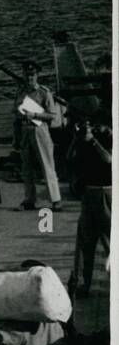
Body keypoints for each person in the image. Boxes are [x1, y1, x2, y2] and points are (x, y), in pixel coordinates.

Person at [70, 120, 111, 295]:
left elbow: (109, 159)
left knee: (111, 242)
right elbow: (69, 159)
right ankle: (84, 283)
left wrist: (93, 140)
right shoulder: (85, 138)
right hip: (89, 194)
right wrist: (77, 138)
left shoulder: (109, 136)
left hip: (107, 192)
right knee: (85, 243)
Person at [16, 62, 63, 211]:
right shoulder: (21, 92)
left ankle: (55, 199)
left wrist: (35, 114)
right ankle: (30, 199)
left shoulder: (44, 92)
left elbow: (52, 115)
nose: (29, 77)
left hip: (39, 129)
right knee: (26, 167)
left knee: (47, 165)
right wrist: (16, 137)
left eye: (32, 75)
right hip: (24, 130)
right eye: (26, 75)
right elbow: (16, 115)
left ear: (37, 76)